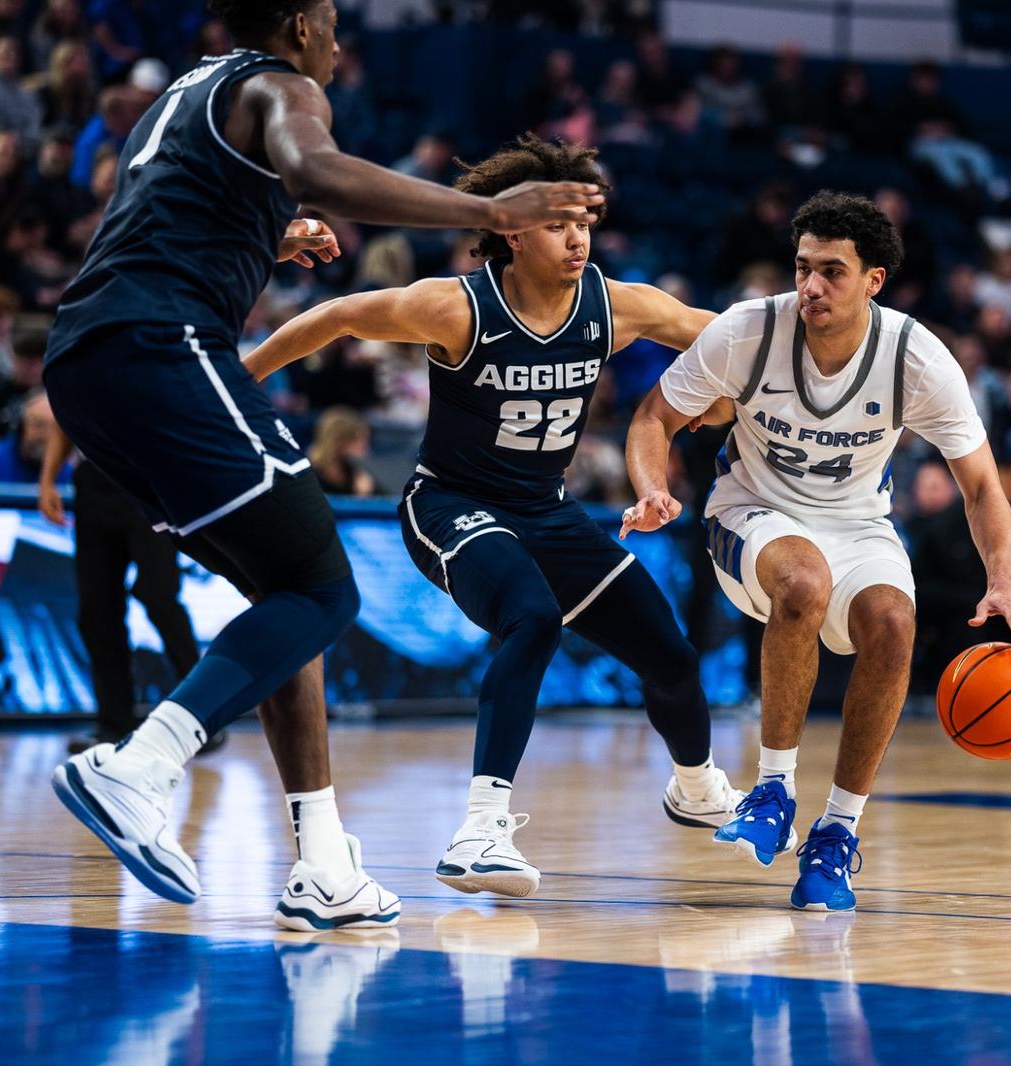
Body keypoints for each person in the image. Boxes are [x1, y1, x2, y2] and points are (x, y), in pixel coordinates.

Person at [42, 0, 603, 932]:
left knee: (286, 592)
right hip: (159, 345)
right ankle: (139, 764)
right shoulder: (283, 84)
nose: (341, 44)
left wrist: (269, 232)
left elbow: (163, 223)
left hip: (88, 360)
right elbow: (315, 167)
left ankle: (323, 862)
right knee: (324, 591)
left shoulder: (185, 93)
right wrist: (486, 209)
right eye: (335, 23)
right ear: (300, 23)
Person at [243, 135, 742, 900]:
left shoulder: (618, 306)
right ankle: (480, 829)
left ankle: (697, 786)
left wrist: (825, 353)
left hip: (547, 512)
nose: (577, 238)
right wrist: (239, 381)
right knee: (532, 617)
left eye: (583, 222)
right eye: (557, 224)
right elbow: (337, 316)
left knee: (670, 655)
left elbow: (739, 339)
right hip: (449, 505)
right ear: (512, 229)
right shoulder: (457, 306)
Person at [623, 191, 1011, 911]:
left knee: (892, 624)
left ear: (874, 281)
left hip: (858, 524)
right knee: (803, 580)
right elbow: (653, 415)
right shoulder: (749, 330)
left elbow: (982, 485)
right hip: (751, 514)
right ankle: (772, 789)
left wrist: (1004, 581)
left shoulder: (917, 357)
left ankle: (836, 835)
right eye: (803, 268)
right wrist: (650, 486)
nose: (811, 287)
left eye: (832, 271)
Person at [38, 425, 215, 756]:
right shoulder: (72, 373)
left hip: (149, 477)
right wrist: (47, 480)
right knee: (97, 609)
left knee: (158, 596)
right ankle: (113, 726)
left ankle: (204, 716)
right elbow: (65, 419)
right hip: (94, 479)